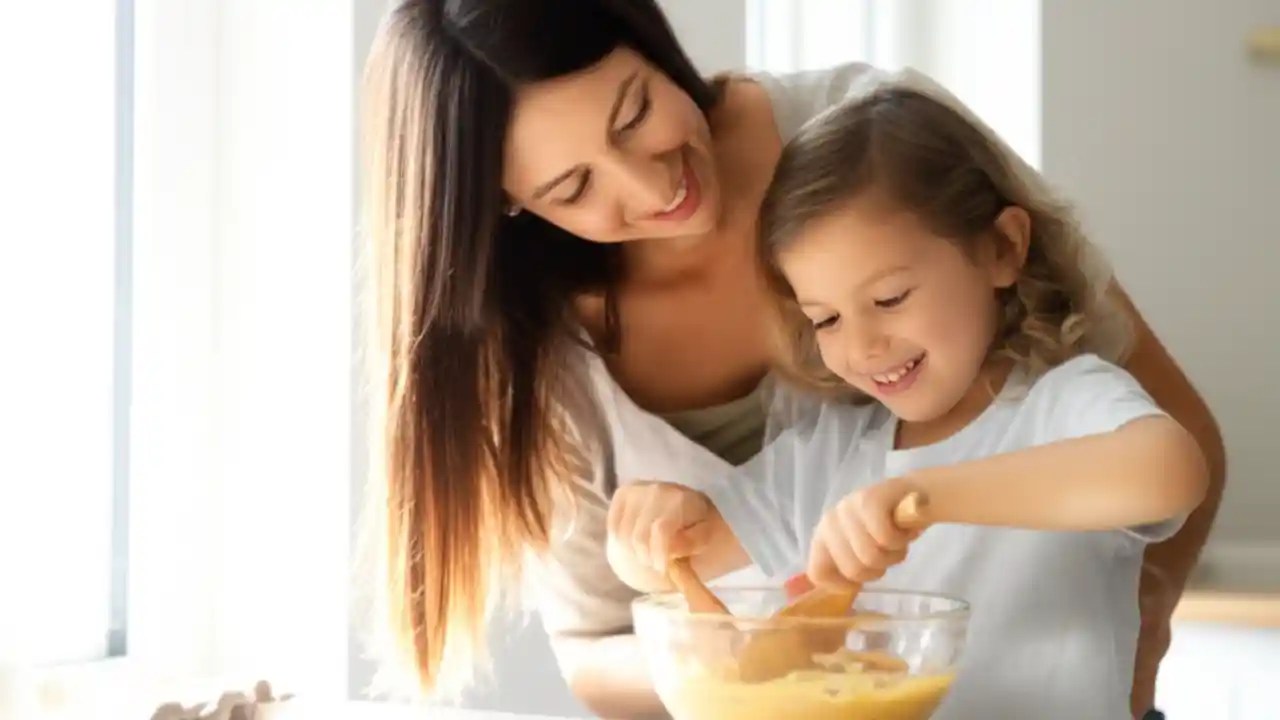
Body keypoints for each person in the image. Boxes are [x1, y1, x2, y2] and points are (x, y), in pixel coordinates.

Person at [359, 1, 1224, 717]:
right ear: (510, 211)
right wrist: (656, 547)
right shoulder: (826, 464)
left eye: (633, 113)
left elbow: (1172, 455)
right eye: (573, 189)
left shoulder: (878, 150)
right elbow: (639, 597)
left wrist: (1137, 631)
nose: (654, 189)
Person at [605, 77, 1209, 719]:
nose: (862, 346)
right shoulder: (828, 455)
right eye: (827, 319)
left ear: (1002, 248)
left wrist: (927, 499)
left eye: (890, 299)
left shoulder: (1061, 406)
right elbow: (668, 562)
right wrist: (646, 529)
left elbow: (1170, 470)